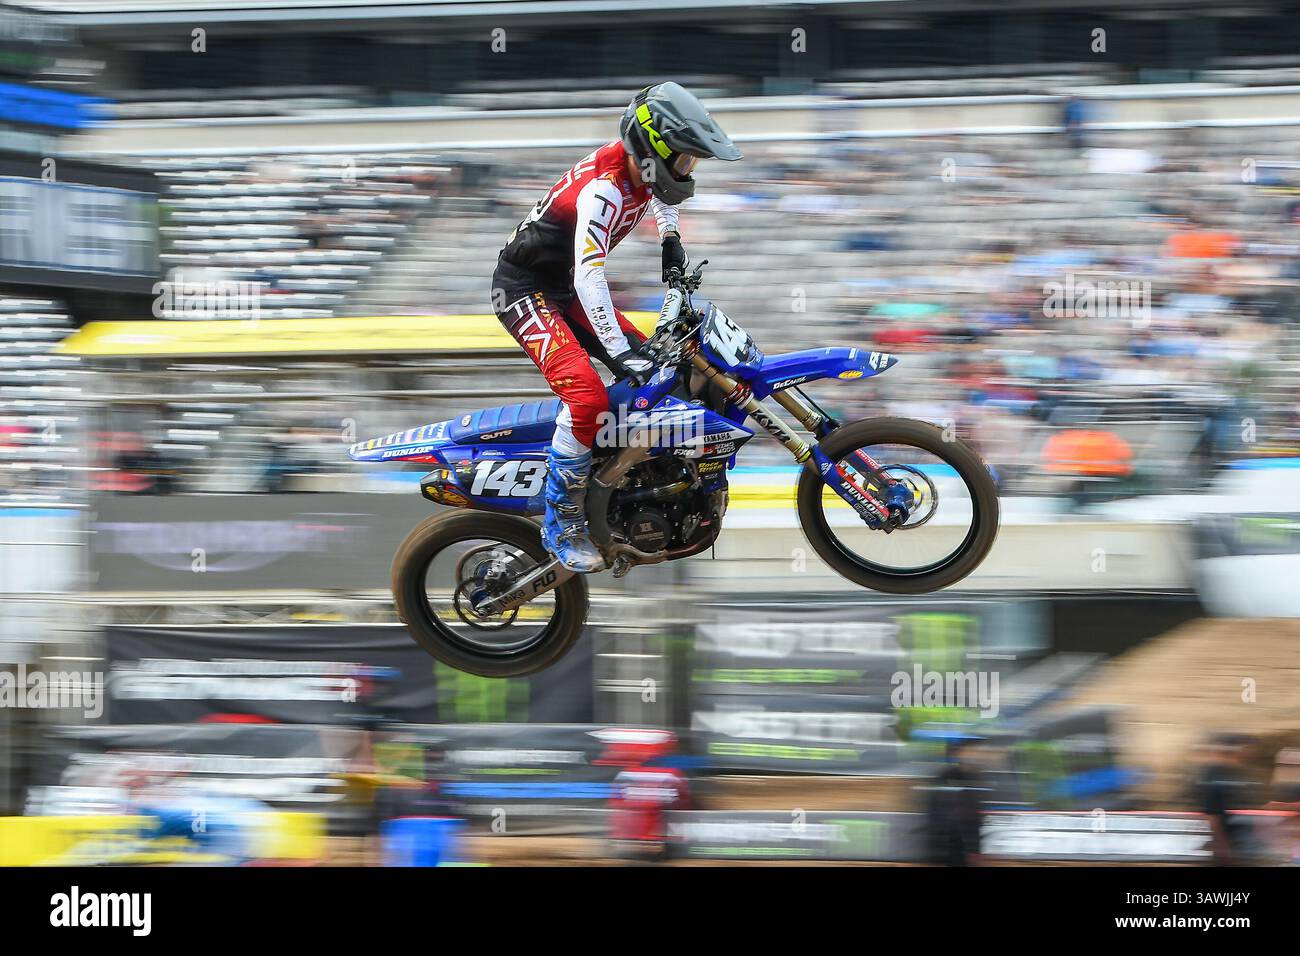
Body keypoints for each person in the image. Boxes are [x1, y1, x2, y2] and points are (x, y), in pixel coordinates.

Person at [491, 81, 742, 571]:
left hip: (563, 285)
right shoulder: (603, 190)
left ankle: (622, 484)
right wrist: (618, 348)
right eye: (685, 160)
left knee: (664, 373)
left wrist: (669, 237)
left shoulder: (642, 170)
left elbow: (660, 196)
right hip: (527, 290)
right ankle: (560, 516)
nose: (689, 170)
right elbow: (590, 274)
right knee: (587, 399)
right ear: (654, 150)